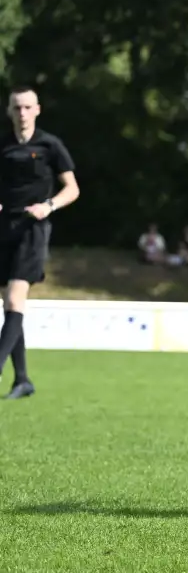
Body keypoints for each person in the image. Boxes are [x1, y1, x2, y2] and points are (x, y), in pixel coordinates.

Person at [0, 86, 80, 399]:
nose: (22, 113)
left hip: (33, 230)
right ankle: (22, 379)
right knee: (10, 305)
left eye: (27, 107)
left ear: (37, 110)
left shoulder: (50, 145)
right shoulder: (3, 146)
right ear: (9, 111)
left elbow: (72, 189)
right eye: (16, 108)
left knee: (15, 301)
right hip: (4, 228)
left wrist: (48, 206)